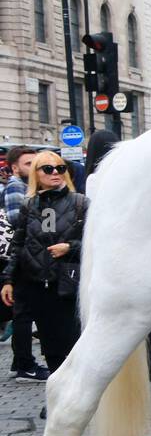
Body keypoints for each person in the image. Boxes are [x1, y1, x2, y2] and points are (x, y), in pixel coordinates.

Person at [1, 152, 87, 375]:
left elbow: (97, 243)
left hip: (69, 284)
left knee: (75, 344)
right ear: (36, 174)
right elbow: (18, 244)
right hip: (37, 285)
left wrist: (70, 247)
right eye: (48, 169)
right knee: (51, 349)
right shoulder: (29, 205)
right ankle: (58, 395)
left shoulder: (81, 203)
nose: (56, 173)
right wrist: (8, 280)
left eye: (60, 168)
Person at [4, 146, 46, 383]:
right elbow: (16, 220)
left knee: (23, 312)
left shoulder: (26, 187)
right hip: (19, 258)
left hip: (25, 256)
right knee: (23, 313)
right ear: (15, 167)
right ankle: (24, 365)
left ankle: (19, 362)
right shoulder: (15, 187)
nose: (33, 168)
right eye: (28, 164)